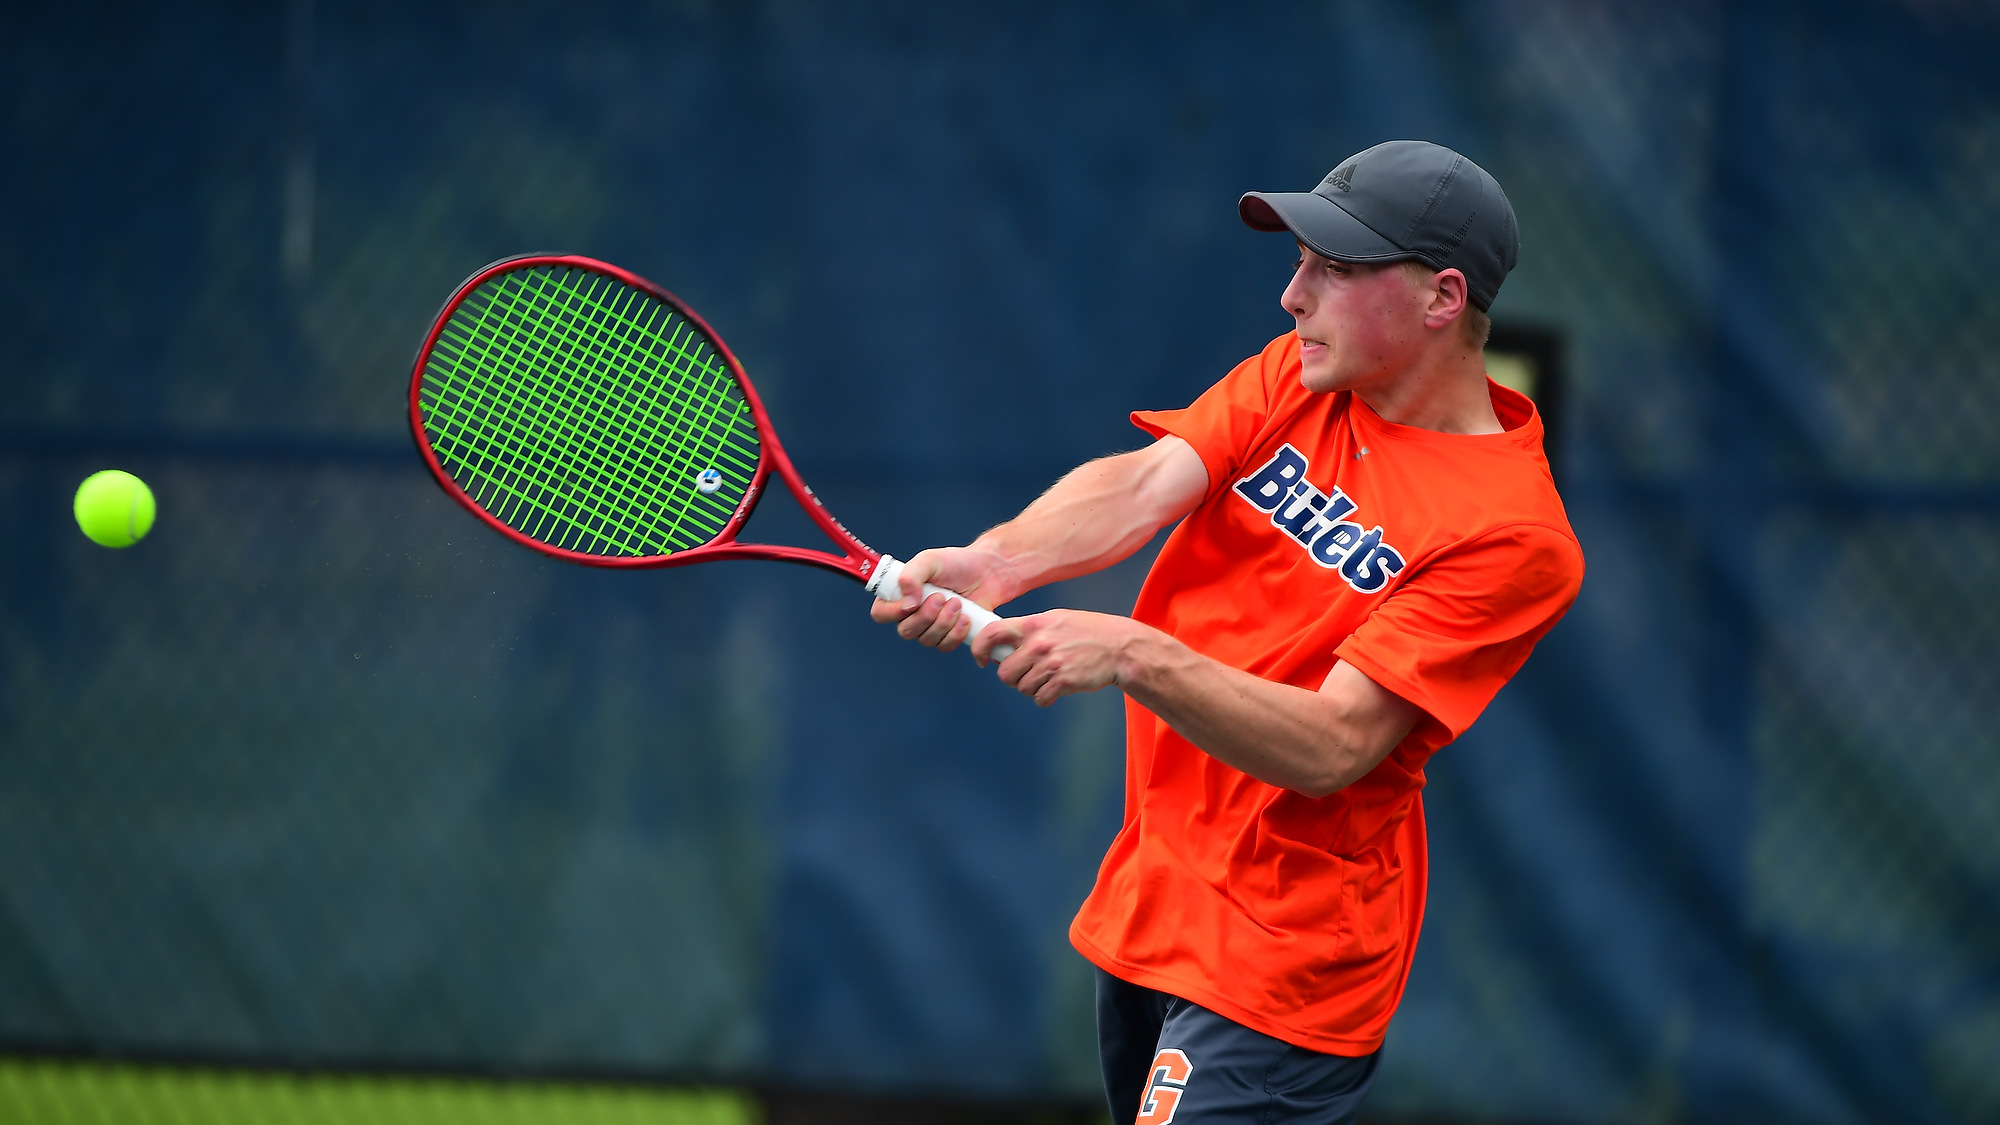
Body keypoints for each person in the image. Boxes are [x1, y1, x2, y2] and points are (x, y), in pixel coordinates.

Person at [872, 140, 1584, 1125]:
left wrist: (1133, 652)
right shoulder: (1304, 377)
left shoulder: (1513, 536)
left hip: (1286, 959)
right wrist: (997, 559)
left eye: (1332, 269)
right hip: (1160, 897)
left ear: (1440, 298)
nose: (1293, 297)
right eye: (1298, 263)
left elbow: (1334, 744)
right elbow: (1143, 483)